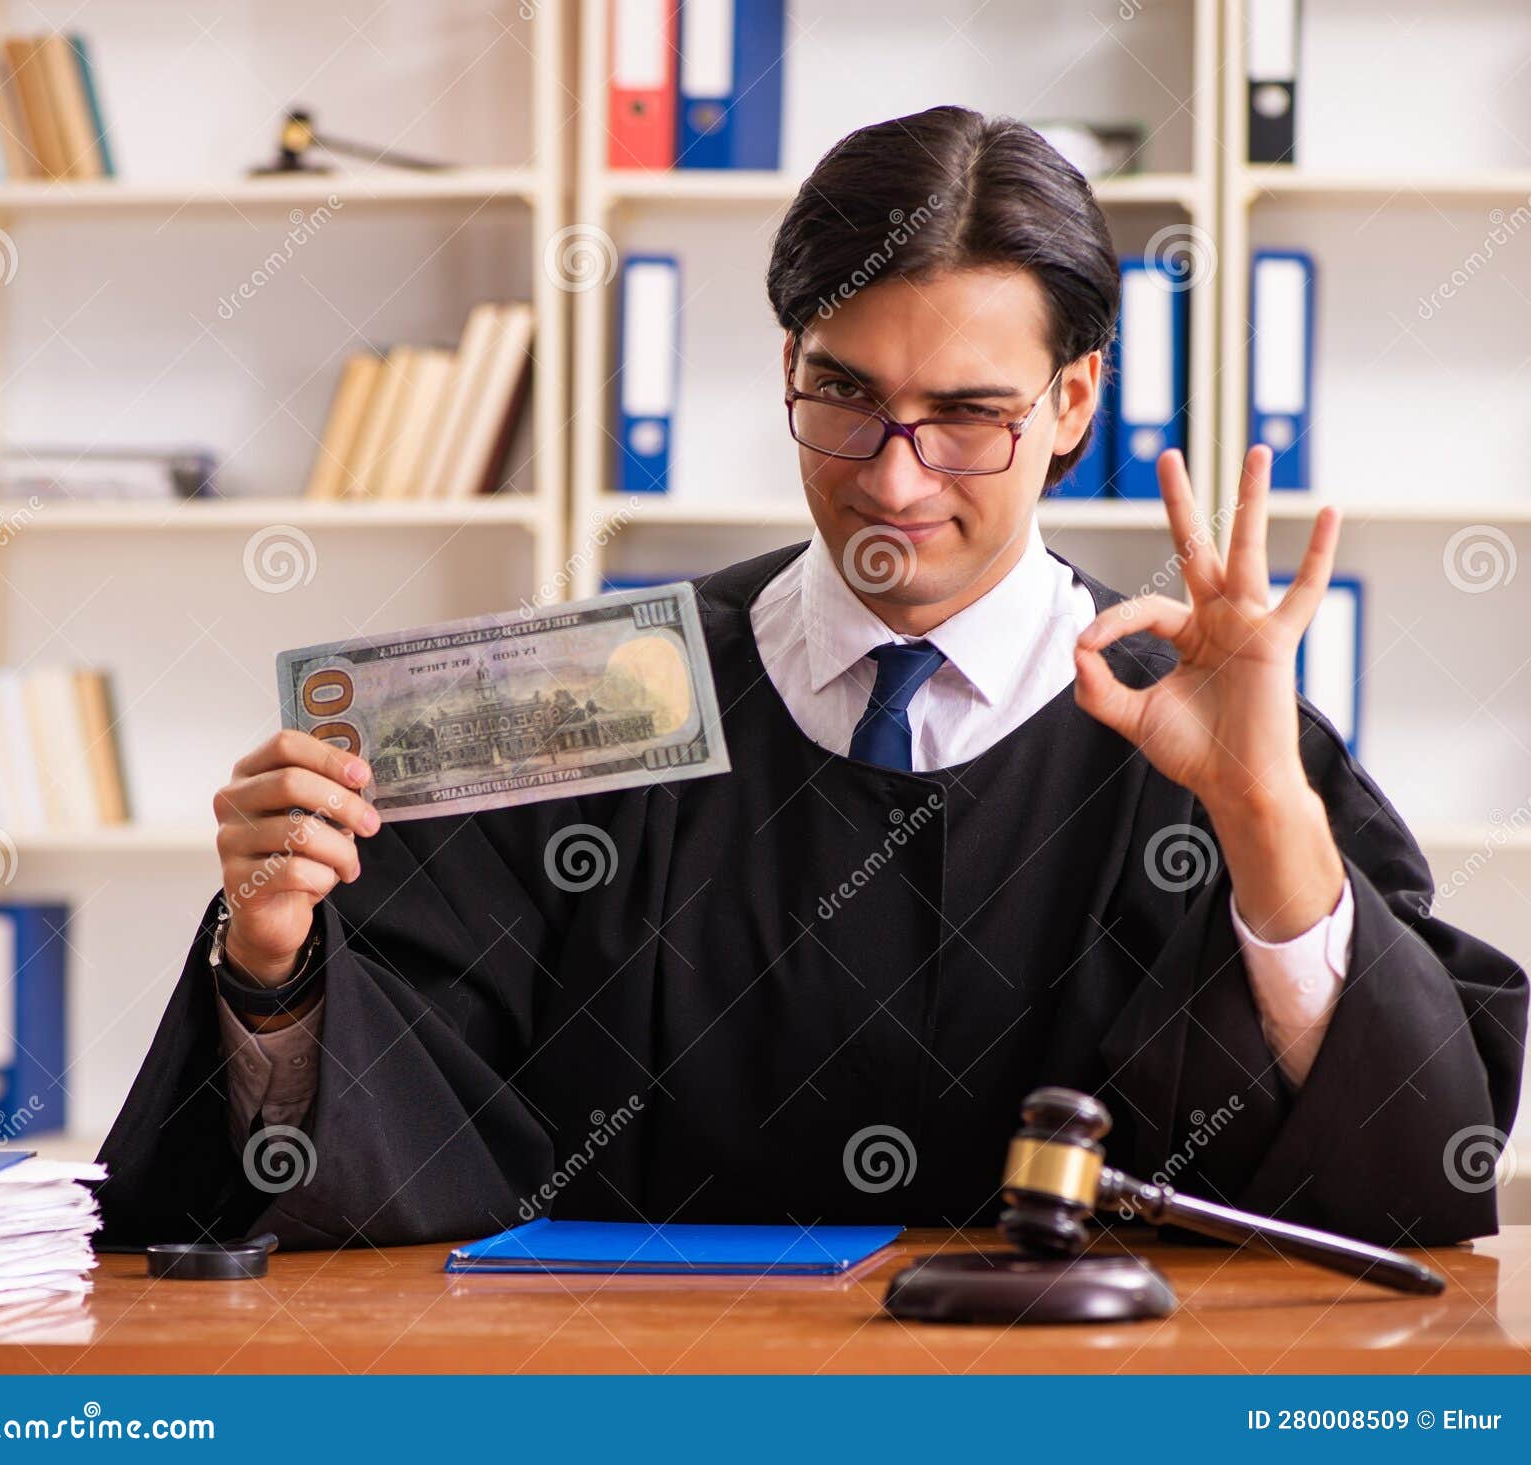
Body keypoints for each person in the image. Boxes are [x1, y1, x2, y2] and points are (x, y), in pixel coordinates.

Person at [94, 107, 1526, 1252]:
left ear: (1073, 401)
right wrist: (277, 966)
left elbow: (1409, 1182)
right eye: (845, 395)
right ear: (789, 359)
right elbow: (383, 1133)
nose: (894, 480)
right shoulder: (591, 700)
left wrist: (1268, 816)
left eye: (968, 416)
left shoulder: (1212, 729)